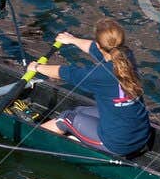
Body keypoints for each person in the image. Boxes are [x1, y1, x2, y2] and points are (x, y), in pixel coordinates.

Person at [32, 18, 153, 157]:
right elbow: (95, 49)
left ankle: (28, 138)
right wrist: (72, 40)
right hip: (142, 135)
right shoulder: (127, 56)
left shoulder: (98, 75)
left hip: (117, 145)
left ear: (99, 45)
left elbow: (65, 73)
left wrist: (36, 67)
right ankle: (77, 139)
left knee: (65, 118)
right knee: (79, 110)